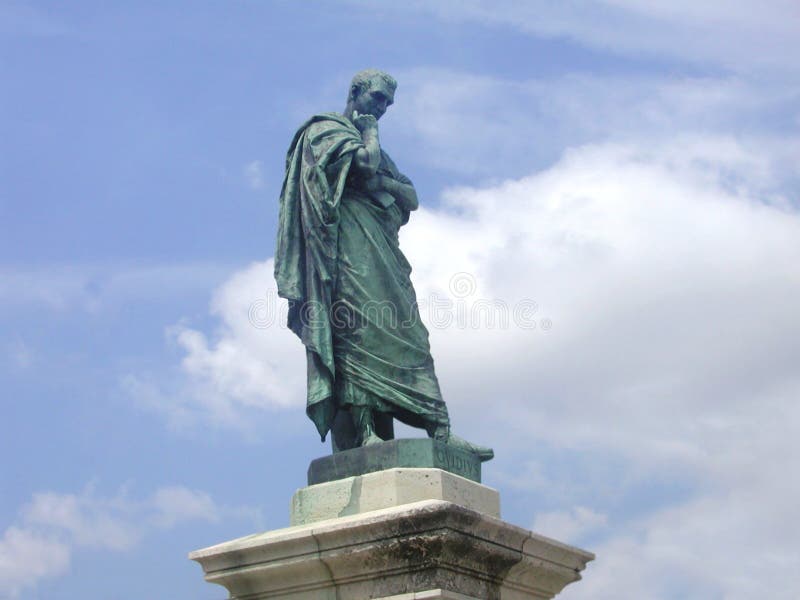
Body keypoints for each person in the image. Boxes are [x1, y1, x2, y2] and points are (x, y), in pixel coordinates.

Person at [275, 69, 492, 460]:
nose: (381, 109)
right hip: (346, 254)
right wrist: (370, 134)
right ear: (355, 93)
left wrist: (384, 185)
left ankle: (440, 430)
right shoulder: (326, 132)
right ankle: (367, 433)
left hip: (383, 256)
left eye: (387, 105)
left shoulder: (370, 147)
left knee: (411, 335)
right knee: (357, 333)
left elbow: (410, 196)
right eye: (376, 100)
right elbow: (365, 163)